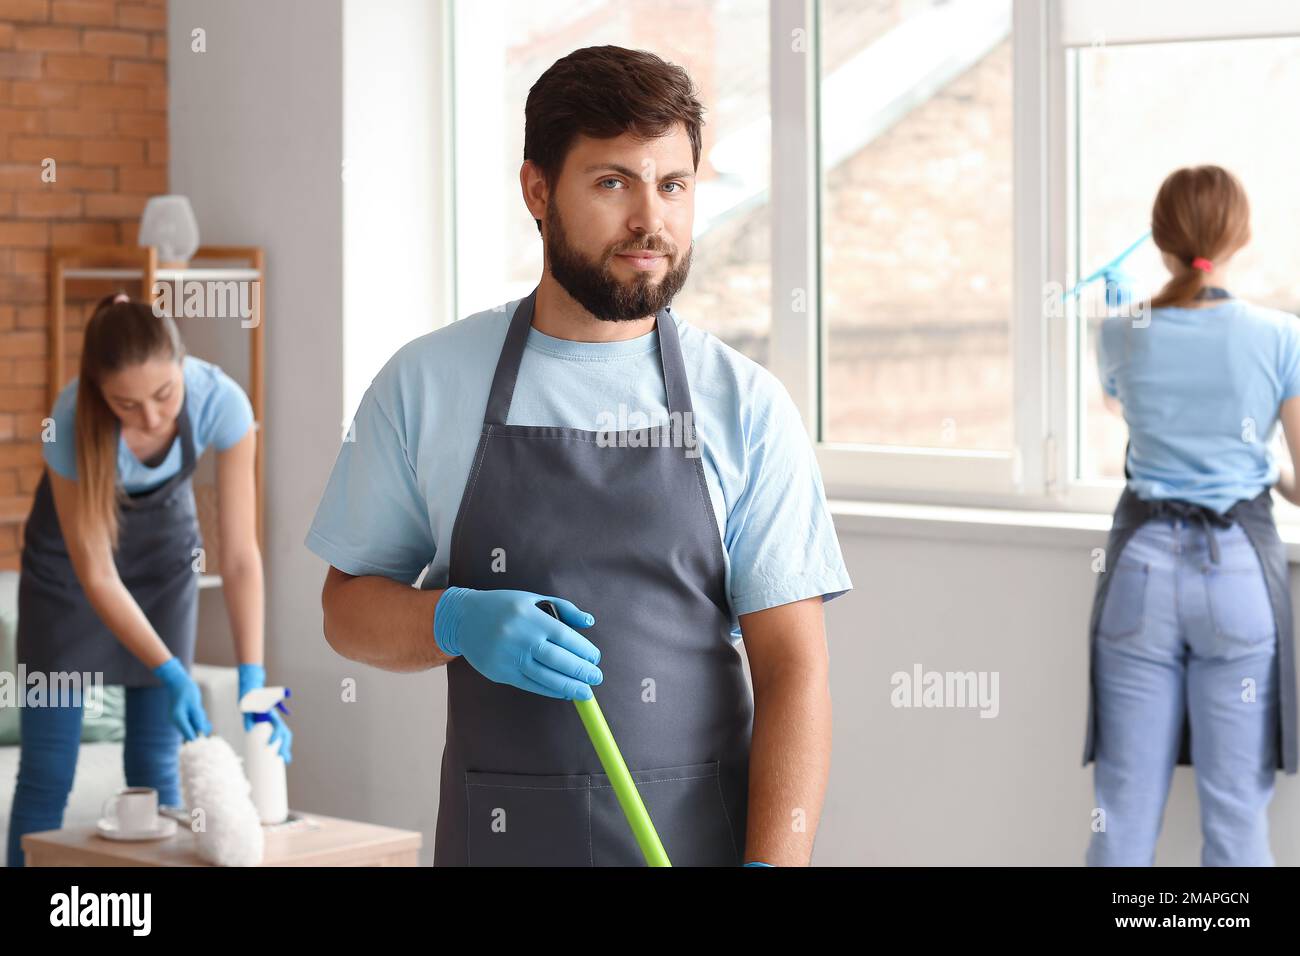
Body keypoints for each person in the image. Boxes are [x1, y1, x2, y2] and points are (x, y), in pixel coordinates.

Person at [306, 45, 853, 866]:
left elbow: (794, 672)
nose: (650, 221)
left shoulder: (745, 407)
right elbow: (345, 613)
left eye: (673, 185)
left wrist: (773, 864)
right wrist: (453, 619)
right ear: (537, 190)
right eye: (613, 183)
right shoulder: (427, 384)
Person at [6, 292, 291, 868]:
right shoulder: (67, 421)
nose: (153, 419)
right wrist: (171, 672)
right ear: (97, 393)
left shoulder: (222, 402)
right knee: (46, 772)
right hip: (67, 575)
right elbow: (96, 572)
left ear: (182, 365)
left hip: (164, 566)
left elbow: (240, 555)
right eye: (126, 405)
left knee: (156, 764)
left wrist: (252, 677)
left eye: (165, 394)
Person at [1085, 165, 1299, 866]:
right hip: (1236, 579)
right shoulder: (1281, 336)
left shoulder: (1122, 332)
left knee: (1121, 814)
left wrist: (1120, 312)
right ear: (1242, 236)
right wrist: (1262, 468)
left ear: (1159, 240)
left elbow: (1122, 403)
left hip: (1140, 578)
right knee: (1237, 819)